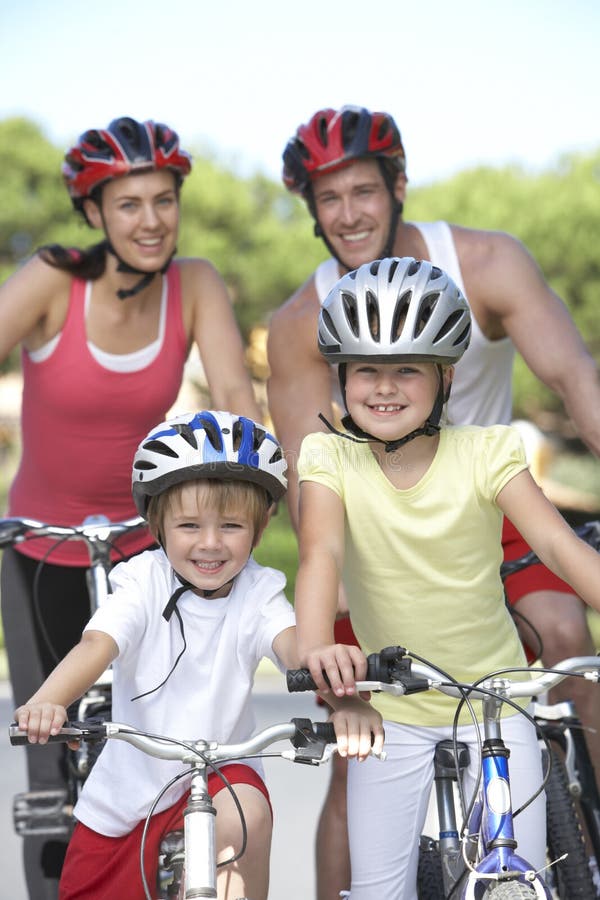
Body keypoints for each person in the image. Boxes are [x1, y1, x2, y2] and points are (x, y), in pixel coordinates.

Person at [267, 104, 600, 898]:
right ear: (311, 210)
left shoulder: (485, 263)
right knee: (357, 747)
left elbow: (576, 379)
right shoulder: (299, 323)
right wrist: (326, 645)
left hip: (489, 504)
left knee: (562, 632)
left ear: (399, 186)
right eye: (328, 198)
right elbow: (309, 493)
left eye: (363, 190)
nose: (348, 213)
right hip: (374, 533)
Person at [0, 116, 262, 898]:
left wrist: (245, 498)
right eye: (127, 204)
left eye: (164, 200)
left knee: (165, 741)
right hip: (40, 547)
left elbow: (236, 405)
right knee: (51, 749)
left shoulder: (197, 284)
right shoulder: (53, 279)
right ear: (94, 213)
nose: (150, 221)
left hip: (149, 552)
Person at [13, 409, 383, 900]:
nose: (210, 544)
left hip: (223, 770)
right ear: (157, 522)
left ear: (261, 522)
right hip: (133, 784)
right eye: (189, 524)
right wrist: (49, 700)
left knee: (247, 816)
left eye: (231, 525)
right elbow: (97, 644)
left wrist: (346, 703)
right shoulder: (142, 581)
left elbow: (295, 651)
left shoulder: (258, 591)